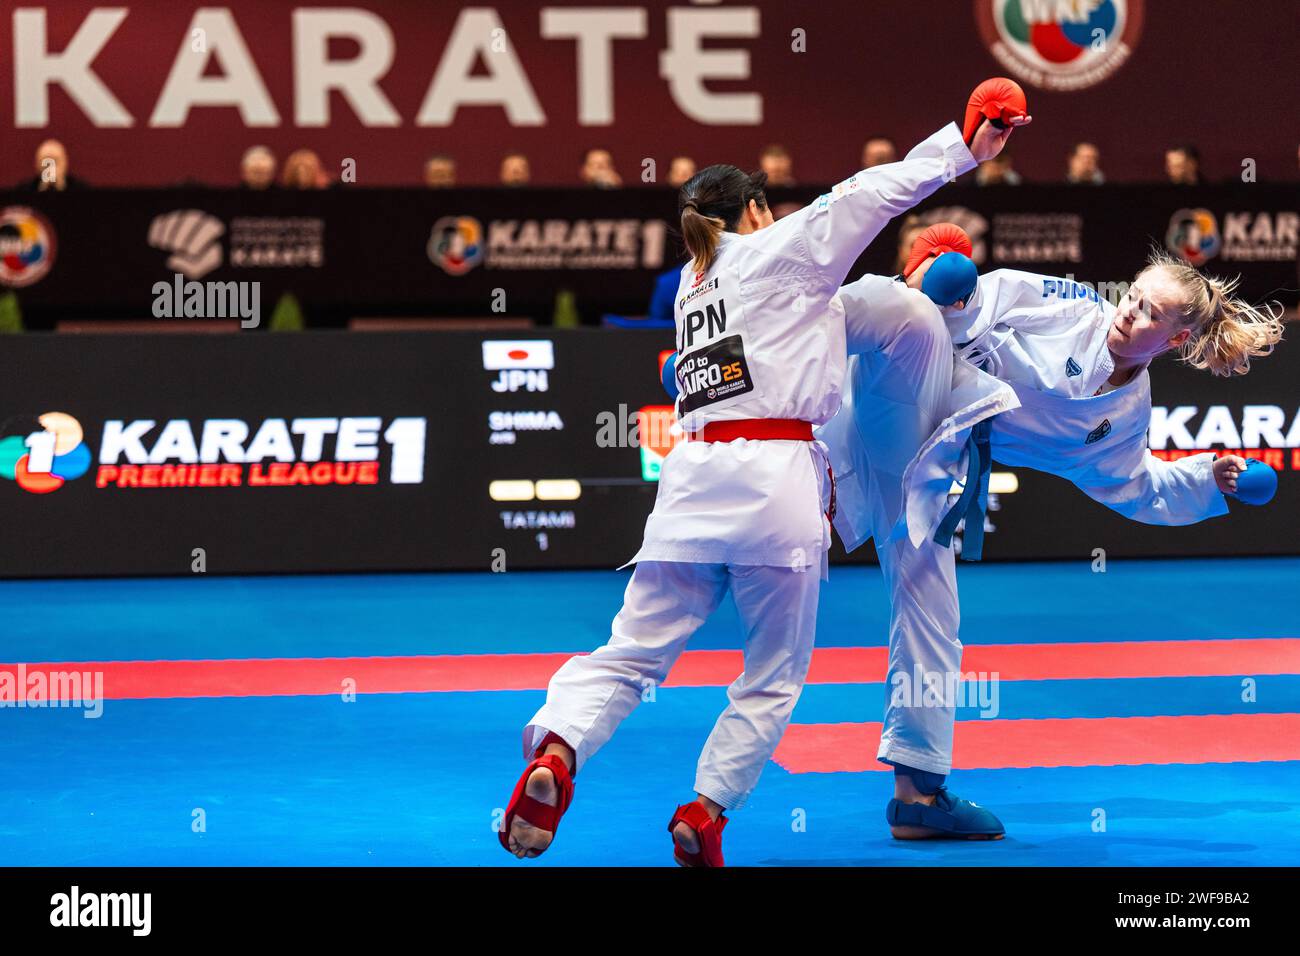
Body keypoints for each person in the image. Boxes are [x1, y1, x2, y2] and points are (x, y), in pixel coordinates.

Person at [498, 81, 1029, 866]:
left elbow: (820, 318)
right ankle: (706, 813)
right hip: (776, 481)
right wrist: (965, 142)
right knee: (771, 674)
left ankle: (558, 753)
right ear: (754, 211)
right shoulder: (781, 248)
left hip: (691, 479)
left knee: (631, 651)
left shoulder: (691, 286)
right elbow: (871, 192)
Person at [818, 227, 1285, 840]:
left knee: (934, 615)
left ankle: (917, 795)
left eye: (1149, 313)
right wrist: (948, 292)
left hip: (922, 463)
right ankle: (748, 356)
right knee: (907, 308)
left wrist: (1209, 478)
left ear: (1176, 339)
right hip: (887, 392)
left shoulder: (1121, 419)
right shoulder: (1064, 303)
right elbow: (973, 303)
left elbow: (1138, 485)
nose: (1129, 310)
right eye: (1133, 295)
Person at [16, 139, 85, 191]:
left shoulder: (81, 190)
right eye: (46, 162)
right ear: (37, 164)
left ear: (65, 163)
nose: (51, 167)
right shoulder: (24, 190)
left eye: (55, 161)